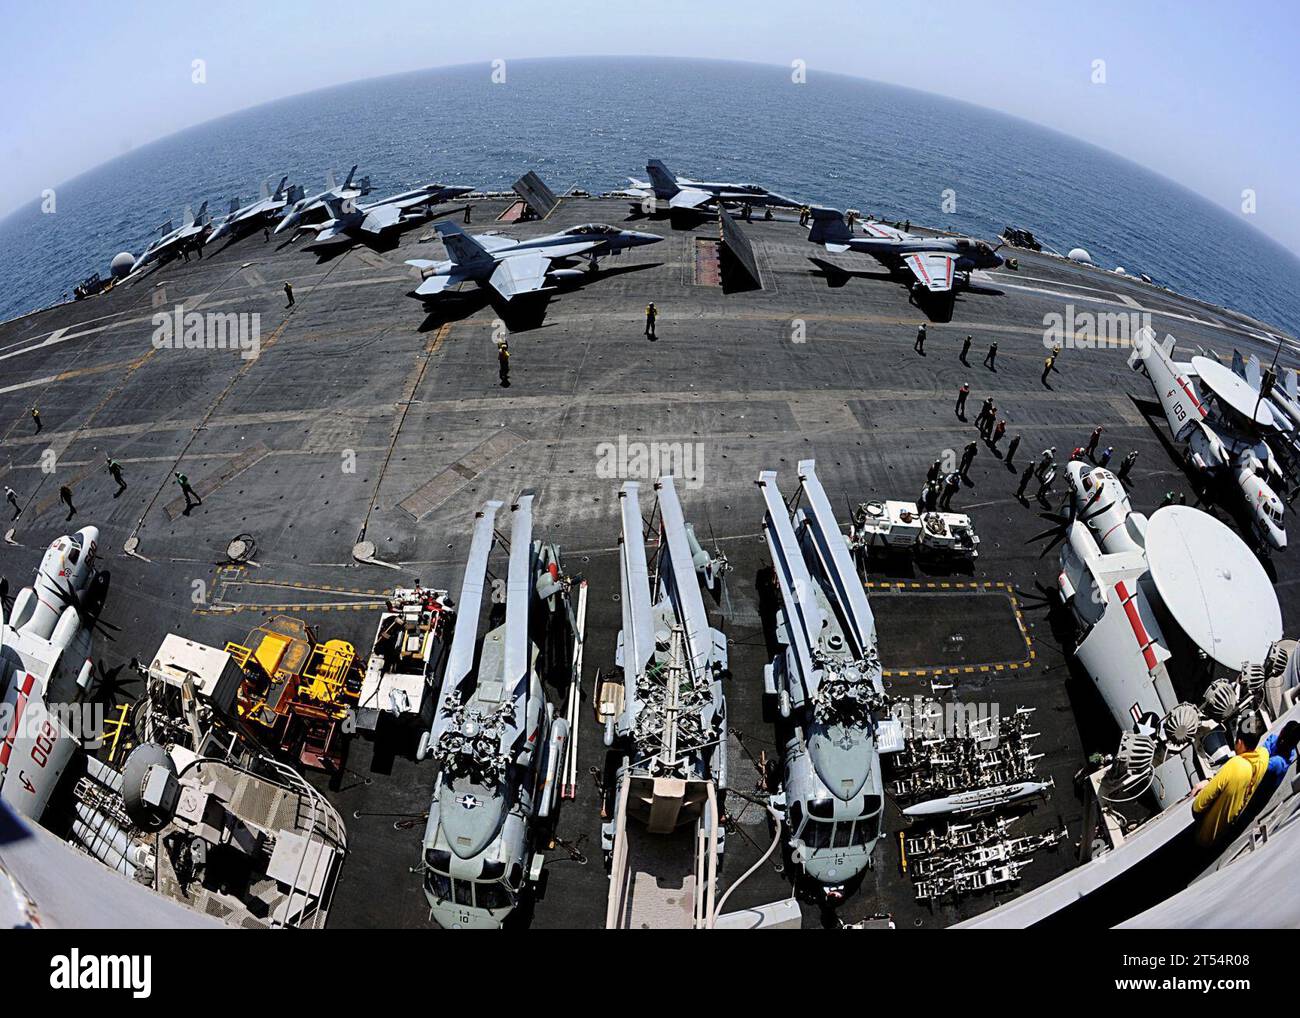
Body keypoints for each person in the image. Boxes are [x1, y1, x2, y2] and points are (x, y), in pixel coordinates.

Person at [1191, 716, 1270, 848]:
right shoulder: (1263, 756)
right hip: (1228, 833)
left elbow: (1197, 807)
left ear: (1239, 742)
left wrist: (1207, 785)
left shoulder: (1236, 764)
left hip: (1205, 837)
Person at [1256, 721, 1300, 803]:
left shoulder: (1277, 763)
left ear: (1282, 731)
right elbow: (1269, 743)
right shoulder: (1277, 741)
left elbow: (1256, 769)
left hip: (1255, 800)